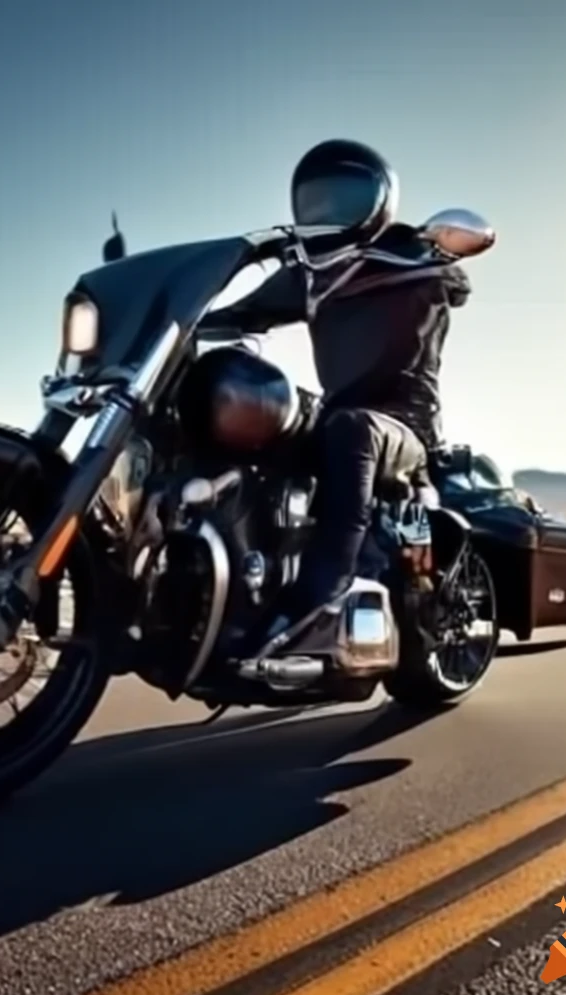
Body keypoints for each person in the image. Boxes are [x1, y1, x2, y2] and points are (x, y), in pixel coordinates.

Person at [207, 140, 472, 657]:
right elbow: (243, 313)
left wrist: (434, 252)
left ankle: (320, 597)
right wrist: (183, 318)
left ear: (378, 203)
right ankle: (237, 586)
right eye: (318, 199)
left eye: (344, 197)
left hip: (403, 426)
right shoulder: (313, 275)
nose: (328, 211)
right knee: (250, 421)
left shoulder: (411, 258)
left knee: (351, 428)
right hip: (341, 416)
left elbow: (453, 280)